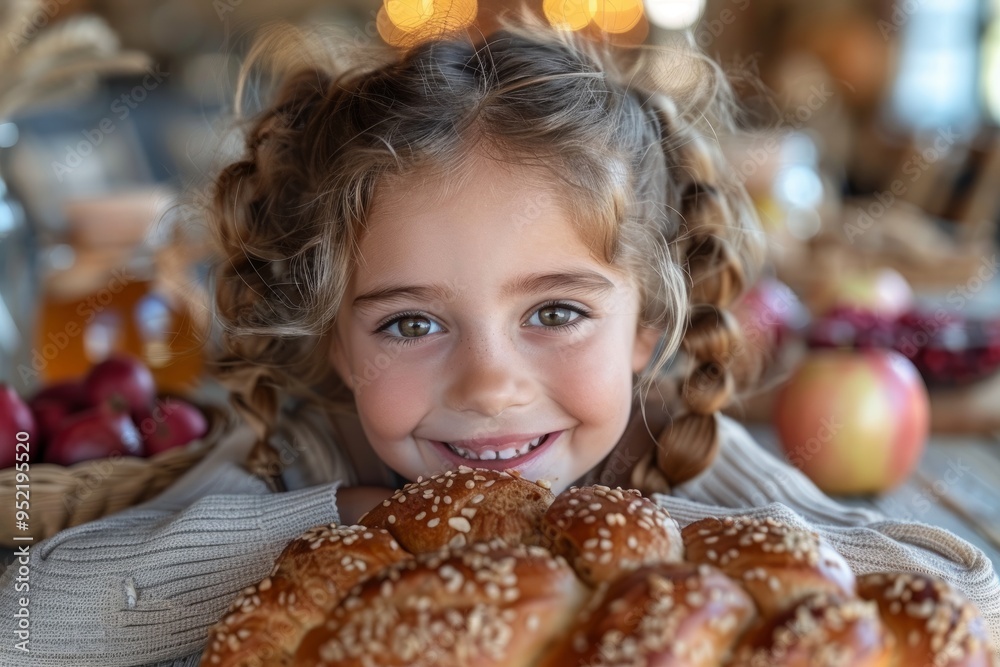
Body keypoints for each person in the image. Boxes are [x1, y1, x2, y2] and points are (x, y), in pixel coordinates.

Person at [2, 11, 998, 667]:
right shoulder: (297, 449)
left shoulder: (673, 449)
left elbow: (955, 596)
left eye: (555, 312)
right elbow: (25, 620)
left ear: (646, 325)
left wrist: (620, 552)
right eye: (411, 322)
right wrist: (340, 520)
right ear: (337, 344)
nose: (489, 382)